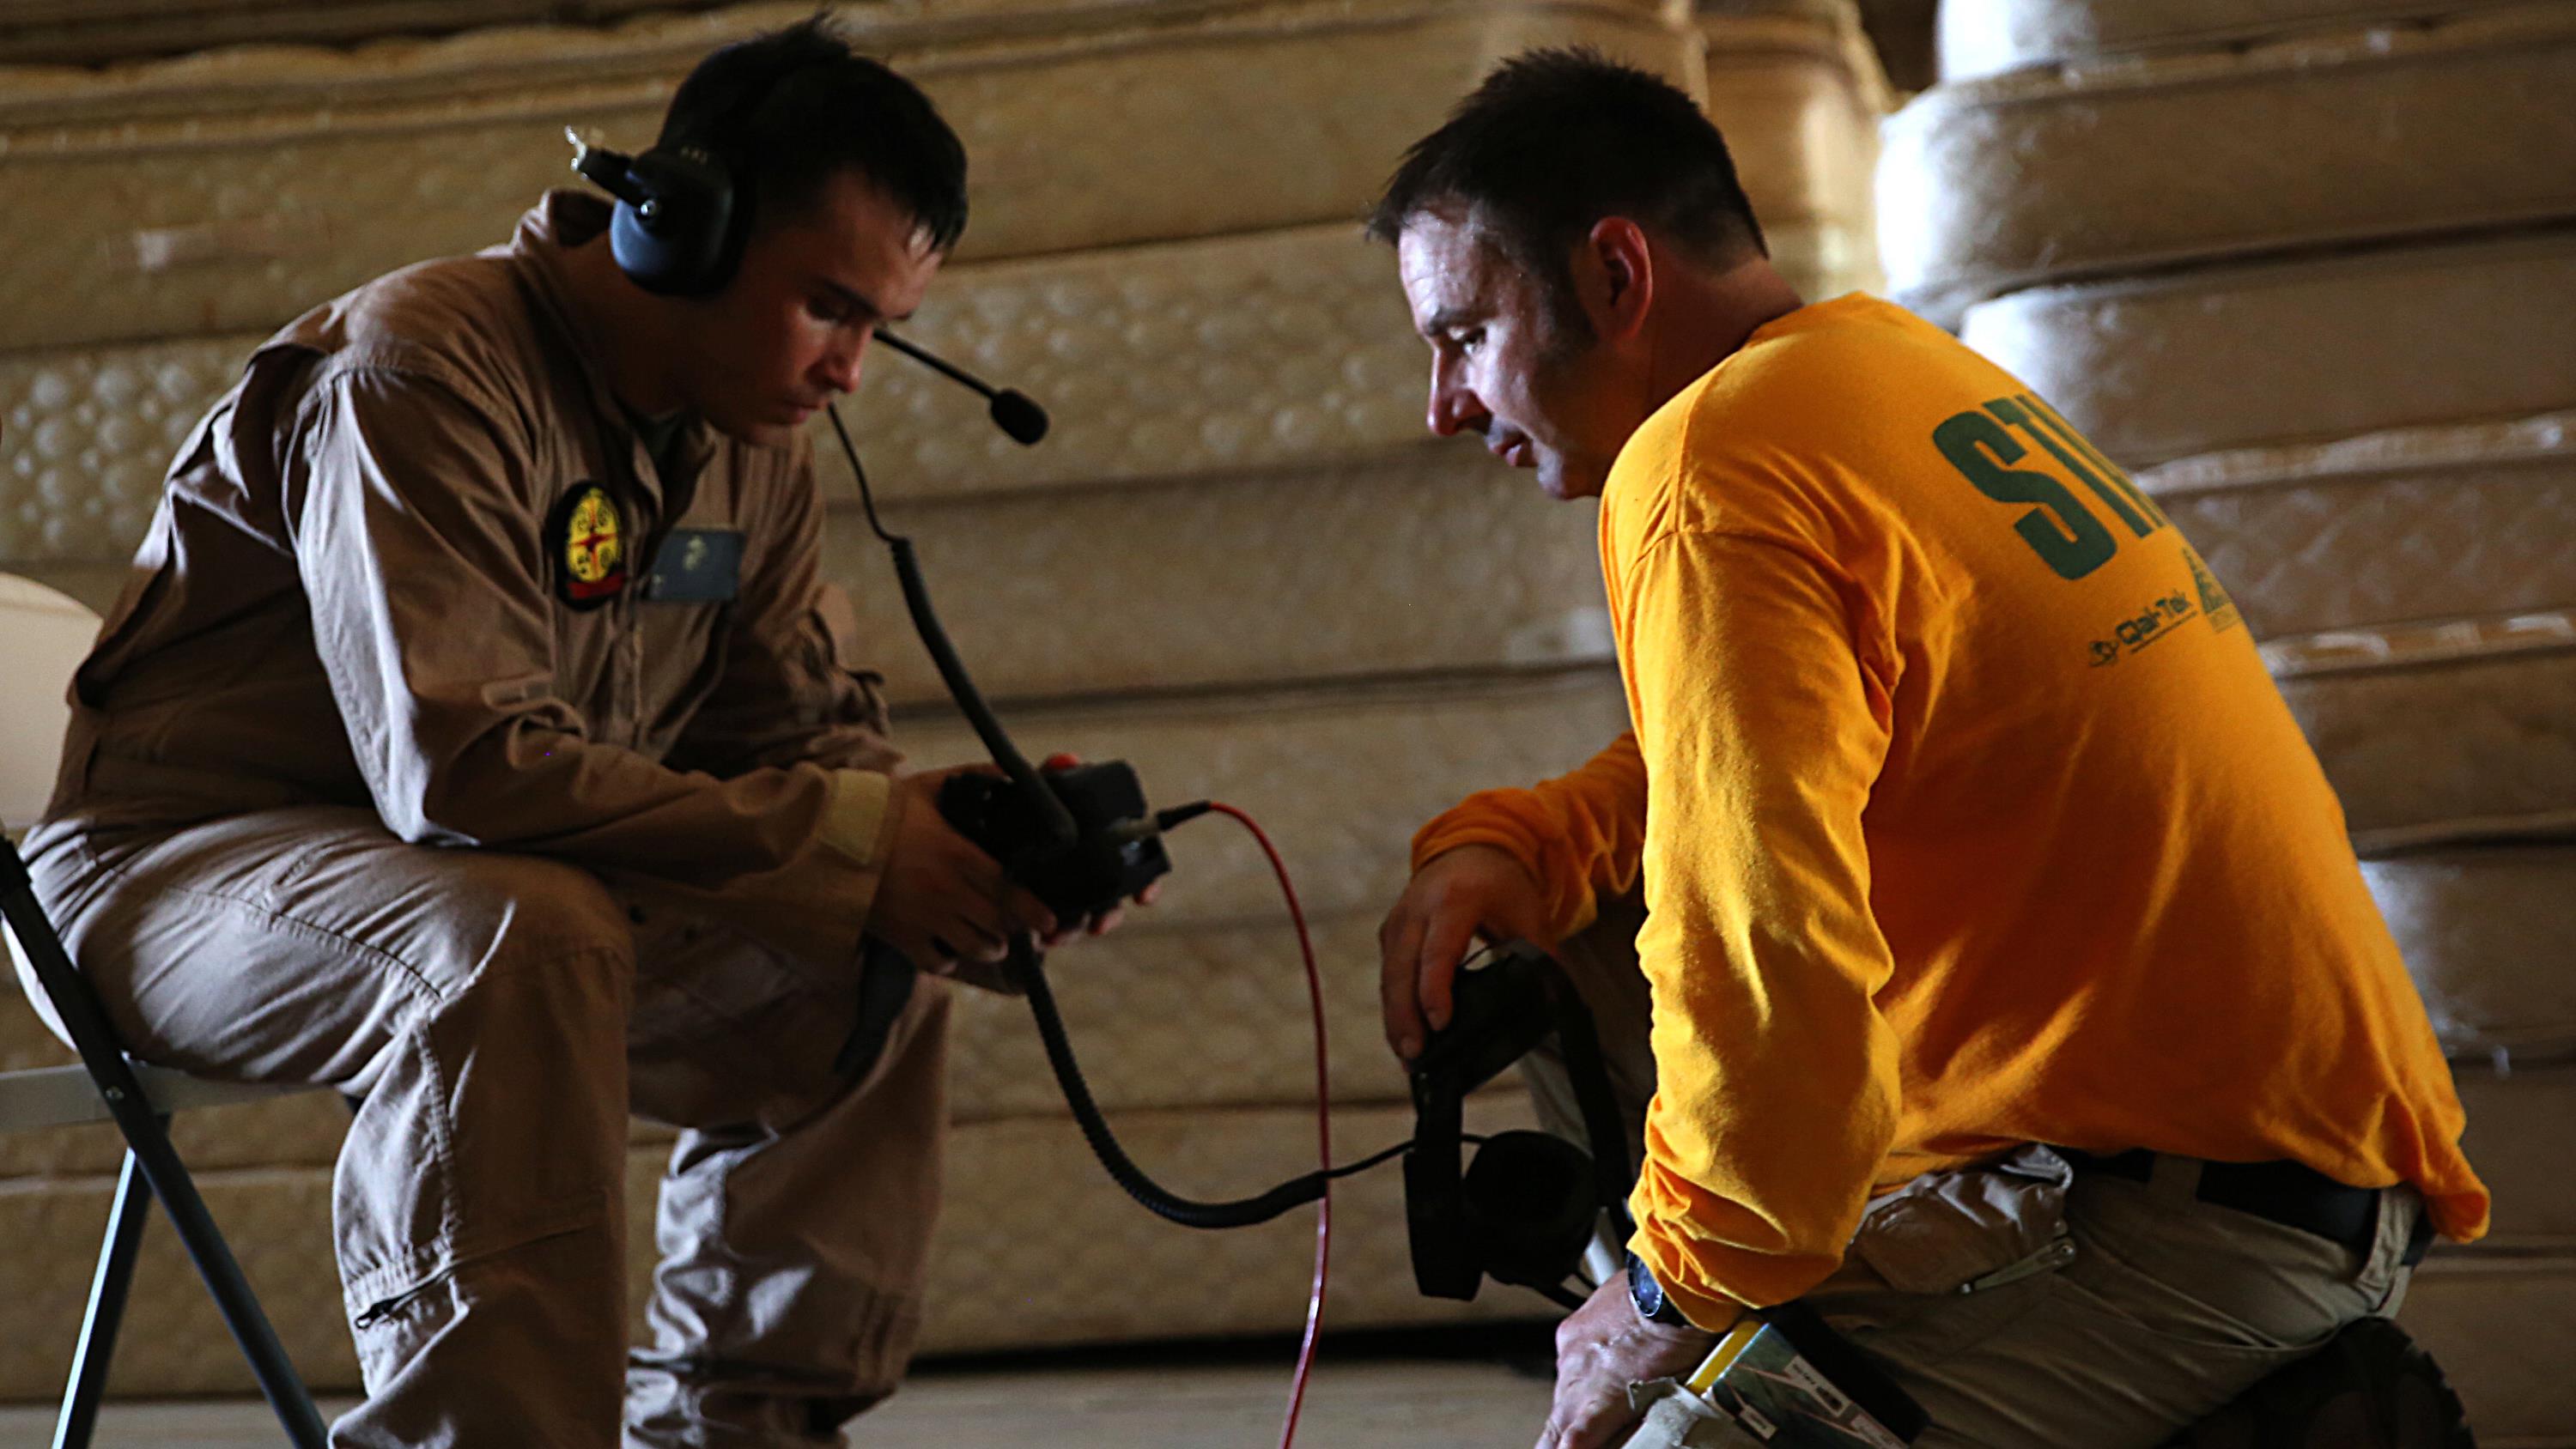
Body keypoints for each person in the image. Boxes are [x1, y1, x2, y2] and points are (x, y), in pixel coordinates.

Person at [16, 19, 1141, 1447]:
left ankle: (744, 1428)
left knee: (873, 947)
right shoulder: (422, 371)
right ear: (681, 226)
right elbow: (463, 772)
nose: (851, 368)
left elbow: (788, 739)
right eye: (829, 308)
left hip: (480, 876)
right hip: (163, 879)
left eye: (880, 330)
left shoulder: (752, 445)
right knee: (523, 929)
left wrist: (969, 852)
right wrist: (857, 843)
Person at [1366, 50, 2488, 1449]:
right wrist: (1523, 845)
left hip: (2160, 1227)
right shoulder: (1891, 374)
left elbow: (1760, 957)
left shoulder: (1706, 468)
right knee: (1567, 930)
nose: (1445, 405)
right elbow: (1768, 759)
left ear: (1613, 276)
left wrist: (1667, 1300)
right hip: (2311, 1169)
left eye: (1464, 335)